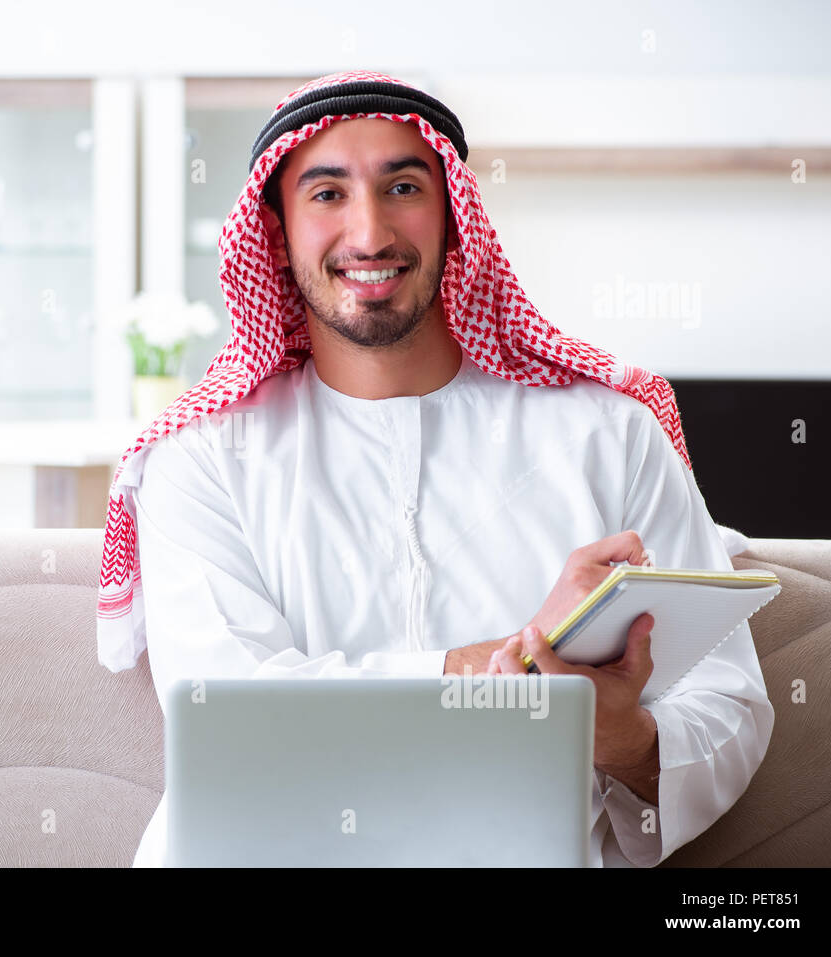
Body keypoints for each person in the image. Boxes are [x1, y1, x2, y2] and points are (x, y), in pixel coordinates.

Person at [95, 70, 773, 868]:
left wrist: (623, 736)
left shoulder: (611, 436)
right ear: (274, 233)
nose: (370, 232)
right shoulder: (200, 458)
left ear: (455, 214)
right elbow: (236, 712)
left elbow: (728, 701)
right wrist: (517, 668)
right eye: (326, 193)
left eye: (403, 185)